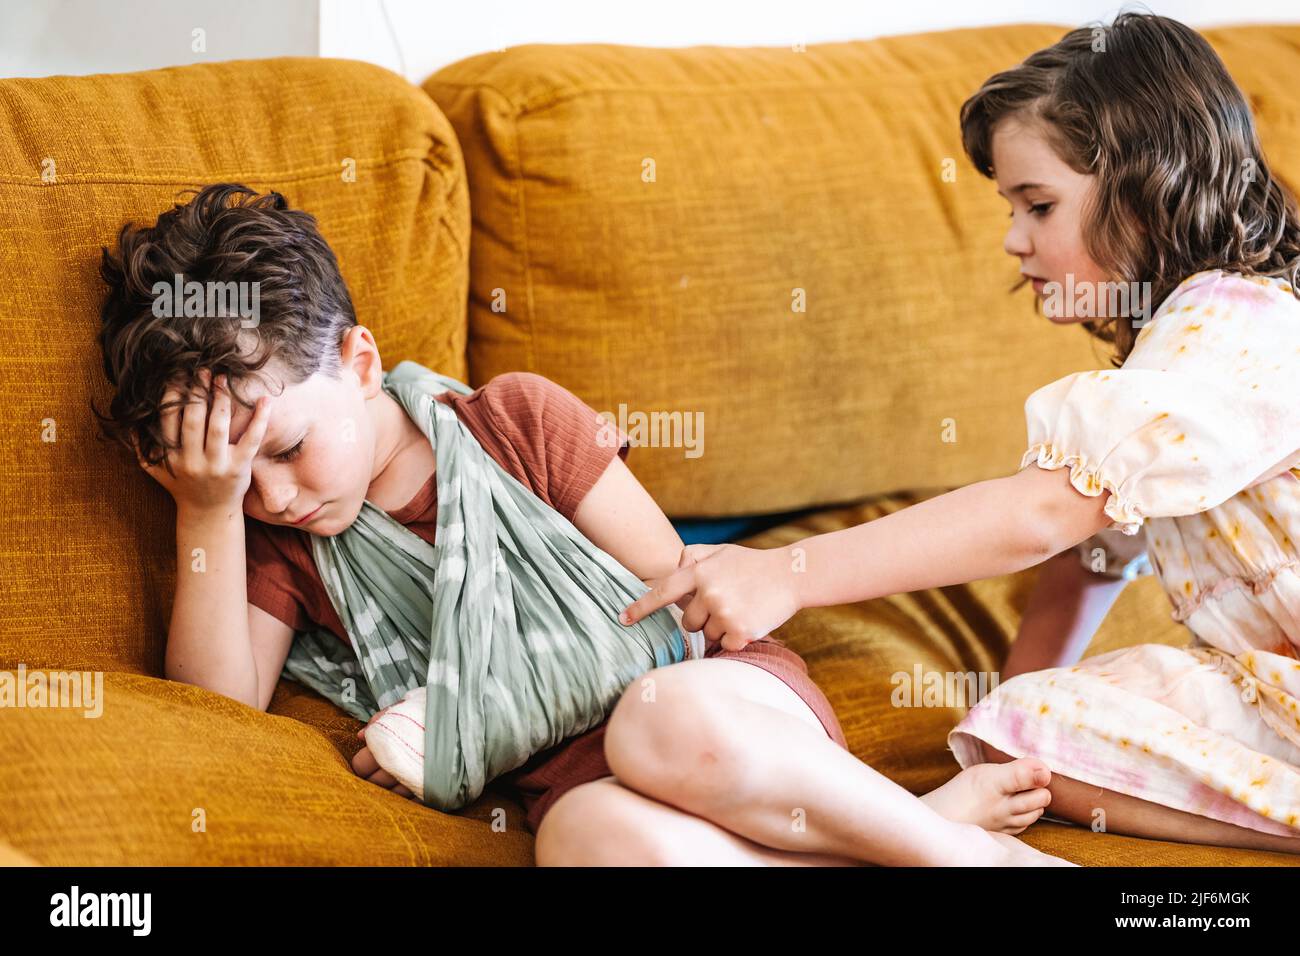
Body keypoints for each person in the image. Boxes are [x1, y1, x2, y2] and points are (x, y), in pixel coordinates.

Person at [95, 182, 1068, 866]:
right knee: (575, 839)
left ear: (357, 361)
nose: (270, 491)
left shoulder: (516, 419)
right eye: (233, 471)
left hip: (726, 717)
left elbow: (679, 608)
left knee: (657, 716)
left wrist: (484, 707)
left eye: (285, 446)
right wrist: (206, 511)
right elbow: (216, 708)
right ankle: (920, 828)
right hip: (592, 790)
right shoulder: (279, 539)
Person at [622, 12, 1300, 855]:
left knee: (1028, 726)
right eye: (1009, 206)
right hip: (1273, 693)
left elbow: (1046, 516)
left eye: (1038, 204)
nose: (1013, 241)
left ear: (1145, 184)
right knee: (1025, 723)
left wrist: (789, 572)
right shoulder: (1170, 368)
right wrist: (1012, 724)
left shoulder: (1238, 326)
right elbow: (1090, 556)